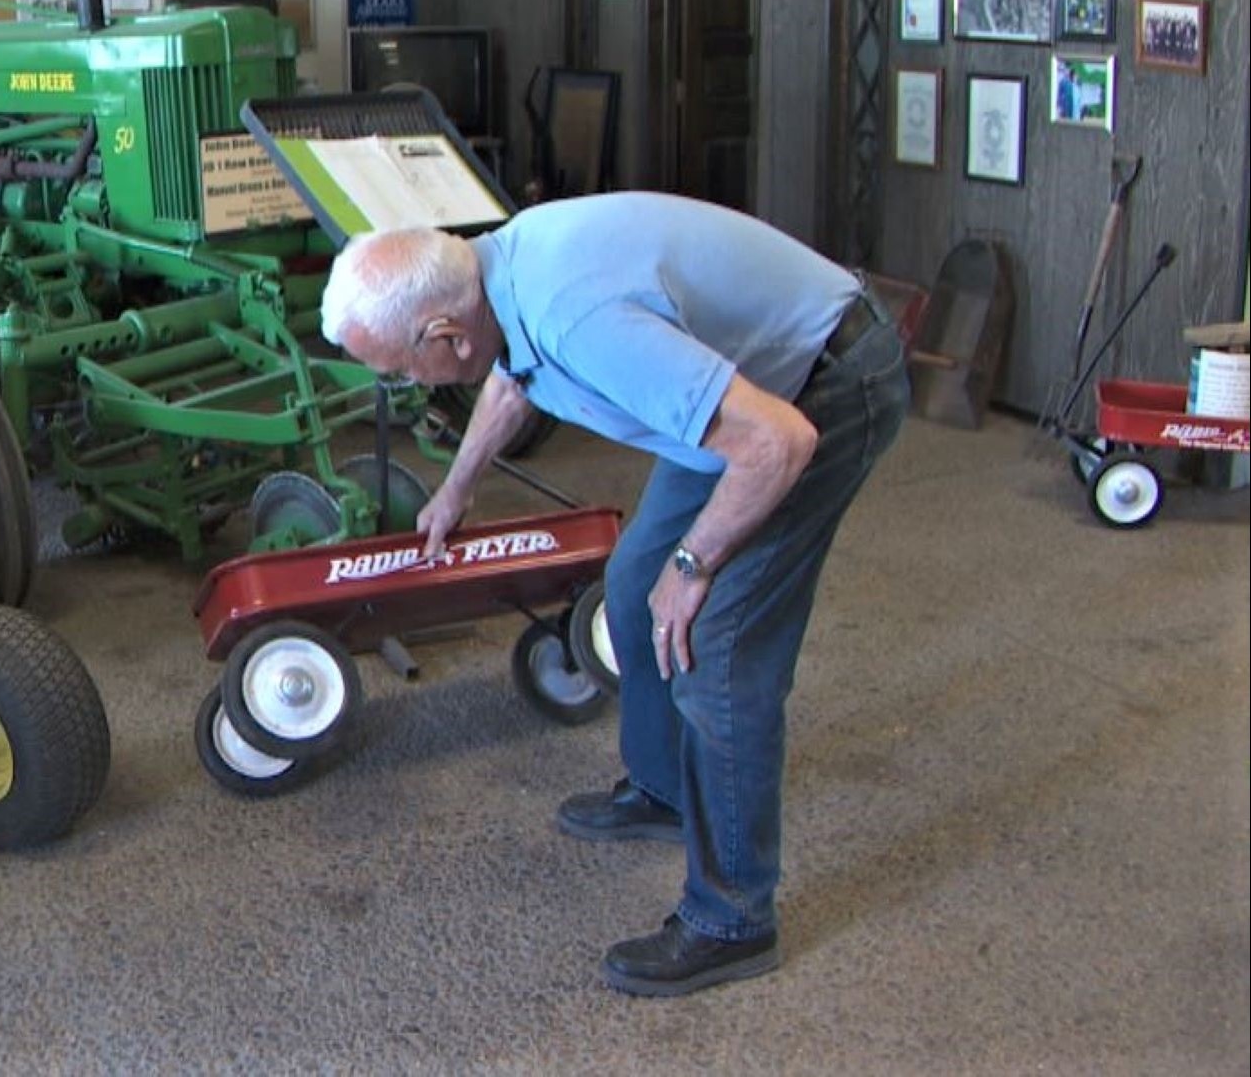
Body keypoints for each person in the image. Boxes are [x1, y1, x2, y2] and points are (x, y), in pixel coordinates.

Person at [319, 193, 909, 998]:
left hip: (822, 392)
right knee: (633, 590)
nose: (395, 383)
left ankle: (732, 920)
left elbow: (778, 442)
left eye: (395, 369)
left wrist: (695, 567)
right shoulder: (492, 276)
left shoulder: (577, 317)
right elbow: (511, 375)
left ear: (442, 335)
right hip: (747, 396)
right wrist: (456, 487)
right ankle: (666, 789)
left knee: (718, 651)